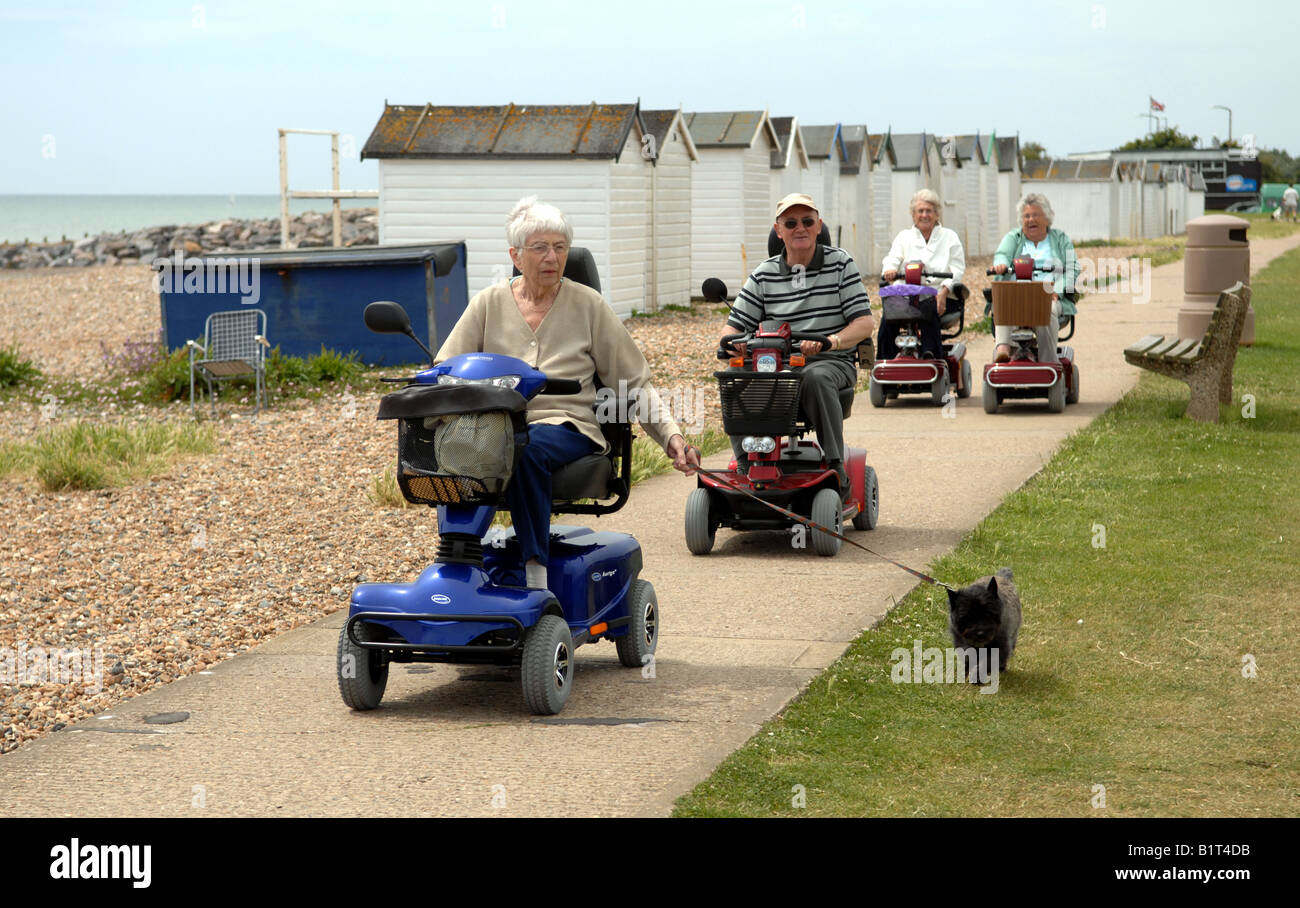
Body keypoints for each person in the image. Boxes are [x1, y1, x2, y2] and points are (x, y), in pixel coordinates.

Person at [436, 196, 700, 590]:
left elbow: (635, 381)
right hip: (493, 426)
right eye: (540, 247)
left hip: (566, 425)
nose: (552, 257)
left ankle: (535, 572)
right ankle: (455, 568)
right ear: (515, 255)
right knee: (454, 447)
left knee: (524, 447)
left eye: (560, 248)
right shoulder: (489, 303)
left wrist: (672, 438)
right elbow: (445, 369)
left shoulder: (588, 305)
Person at [719, 192, 874, 490]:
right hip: (774, 366)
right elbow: (730, 330)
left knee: (813, 376)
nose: (799, 228)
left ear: (819, 226)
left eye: (807, 221)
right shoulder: (763, 275)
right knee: (732, 376)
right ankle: (744, 461)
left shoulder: (841, 265)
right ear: (779, 231)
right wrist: (736, 342)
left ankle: (834, 464)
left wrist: (831, 341)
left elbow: (865, 323)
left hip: (829, 361)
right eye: (790, 223)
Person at [879, 188, 966, 366]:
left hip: (939, 294)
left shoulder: (949, 237)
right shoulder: (904, 237)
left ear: (937, 214)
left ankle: (930, 355)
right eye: (920, 211)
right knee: (888, 315)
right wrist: (889, 269)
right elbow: (892, 258)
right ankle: (883, 360)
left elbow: (957, 269)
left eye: (929, 211)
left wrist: (944, 291)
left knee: (929, 305)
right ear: (913, 215)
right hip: (908, 295)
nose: (924, 215)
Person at [990, 193, 1078, 364]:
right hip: (1017, 293)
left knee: (1047, 309)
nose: (1031, 220)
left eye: (1036, 215)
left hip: (1048, 294)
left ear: (1047, 218)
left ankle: (1048, 361)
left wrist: (1057, 291)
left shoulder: (1060, 239)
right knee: (1003, 300)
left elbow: (1072, 268)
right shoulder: (1013, 238)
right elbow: (1002, 255)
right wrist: (1000, 264)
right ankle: (1003, 348)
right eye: (1027, 216)